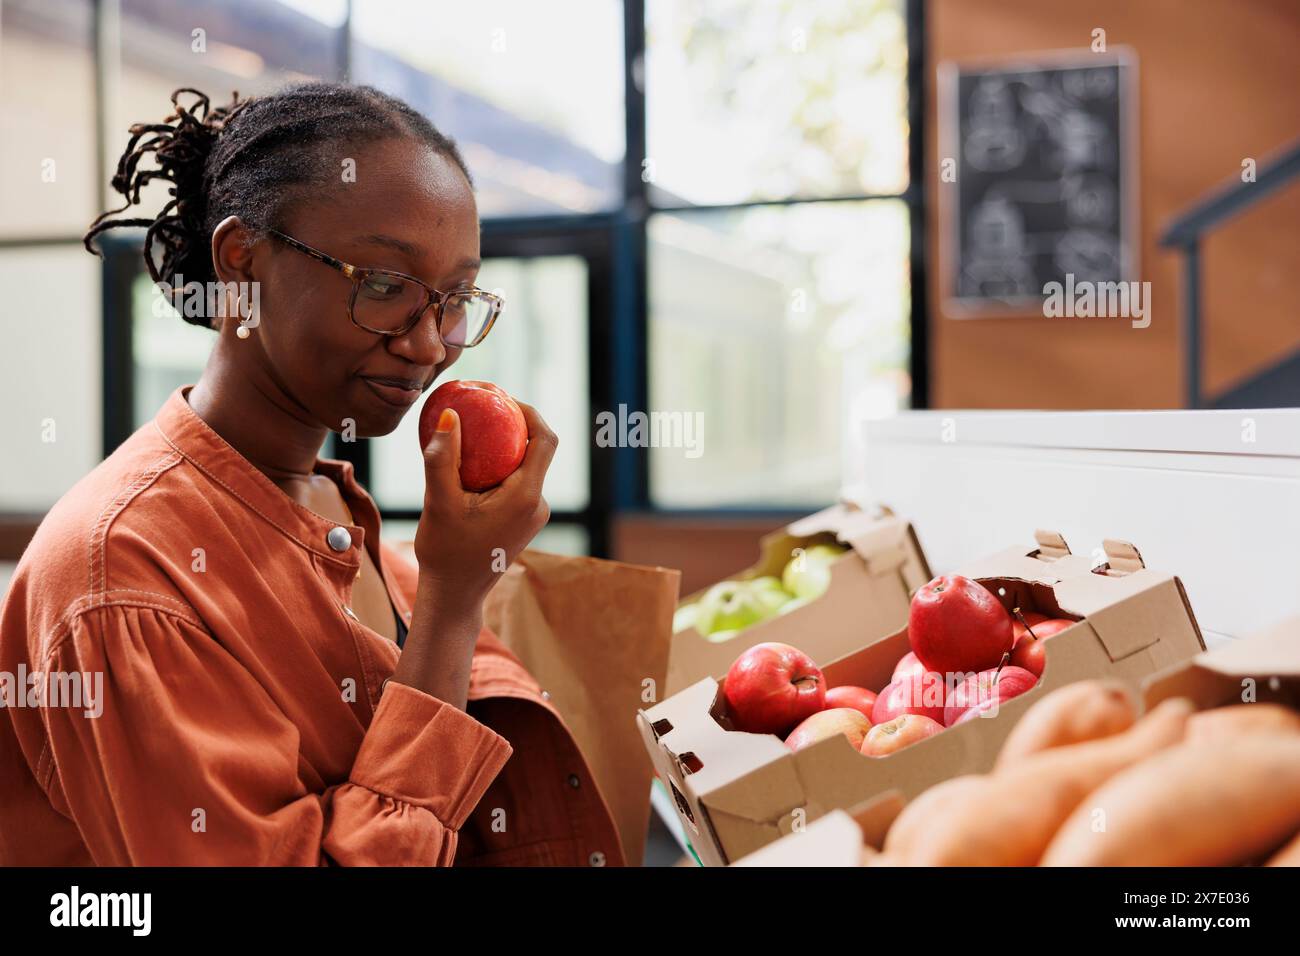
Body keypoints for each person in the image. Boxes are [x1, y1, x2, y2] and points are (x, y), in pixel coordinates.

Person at [0, 83, 622, 866]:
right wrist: (454, 601)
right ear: (242, 262)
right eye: (385, 286)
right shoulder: (126, 578)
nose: (429, 345)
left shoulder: (324, 496)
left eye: (455, 298)